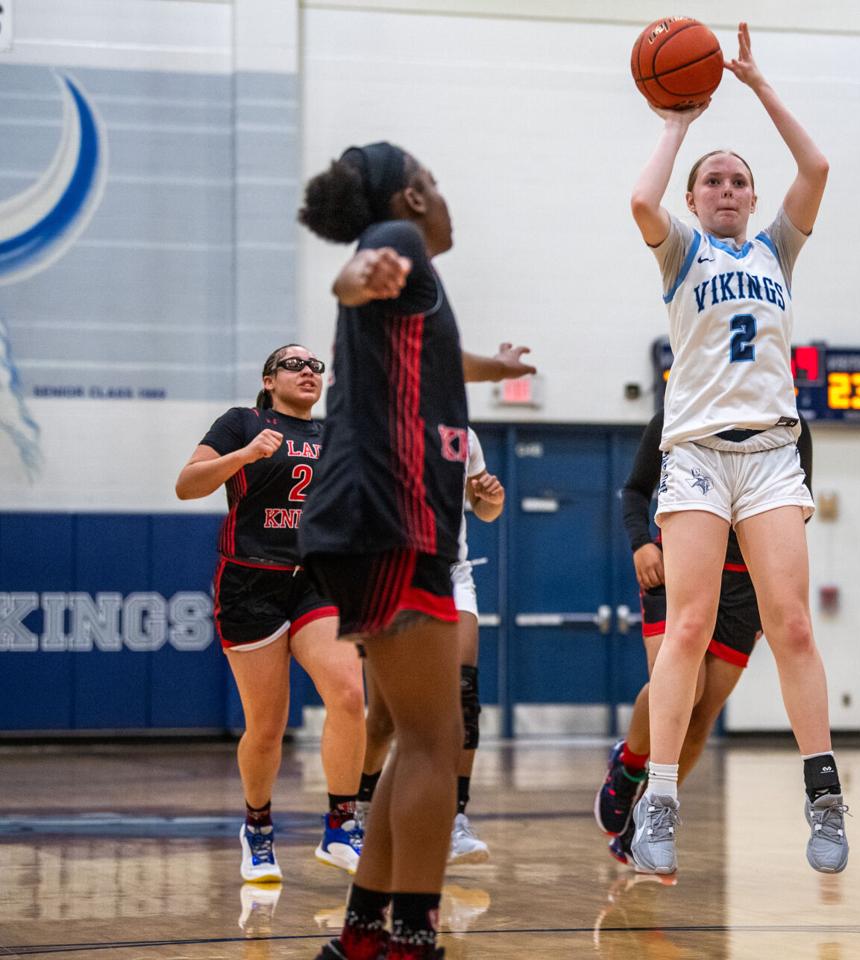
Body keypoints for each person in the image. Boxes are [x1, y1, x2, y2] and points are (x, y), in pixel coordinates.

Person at [297, 140, 533, 960]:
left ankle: (362, 939)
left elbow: (435, 356)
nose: (443, 194)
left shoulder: (419, 290)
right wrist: (354, 277)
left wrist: (492, 367)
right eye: (436, 181)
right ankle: (411, 941)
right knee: (438, 740)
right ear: (414, 196)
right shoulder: (395, 244)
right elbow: (353, 275)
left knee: (410, 731)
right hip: (390, 514)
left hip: (381, 520)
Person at [627, 23, 848, 877]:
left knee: (792, 624)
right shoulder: (680, 249)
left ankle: (823, 796)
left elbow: (819, 168)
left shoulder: (775, 250)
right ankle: (661, 797)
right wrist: (678, 119)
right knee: (684, 626)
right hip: (695, 457)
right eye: (714, 180)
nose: (728, 188)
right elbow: (642, 204)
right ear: (698, 197)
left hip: (769, 457)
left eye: (739, 180)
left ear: (754, 199)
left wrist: (758, 85)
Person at [175, 344, 366, 884]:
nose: (308, 372)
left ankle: (341, 827)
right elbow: (187, 486)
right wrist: (244, 456)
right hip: (249, 582)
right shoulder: (242, 422)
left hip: (316, 581)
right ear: (269, 378)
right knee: (267, 727)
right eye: (294, 364)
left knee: (350, 695)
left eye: (315, 366)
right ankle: (257, 828)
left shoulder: (335, 436)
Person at [596, 409, 812, 864]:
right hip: (678, 568)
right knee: (683, 687)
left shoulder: (788, 426)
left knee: (704, 711)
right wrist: (641, 542)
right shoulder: (679, 412)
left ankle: (645, 823)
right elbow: (635, 490)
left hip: (743, 586)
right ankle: (629, 767)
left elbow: (793, 509)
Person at [357, 426, 505, 866]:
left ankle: (454, 819)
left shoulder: (463, 436)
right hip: (390, 576)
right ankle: (359, 809)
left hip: (450, 575)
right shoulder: (375, 424)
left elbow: (483, 508)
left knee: (463, 697)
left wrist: (489, 499)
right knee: (384, 719)